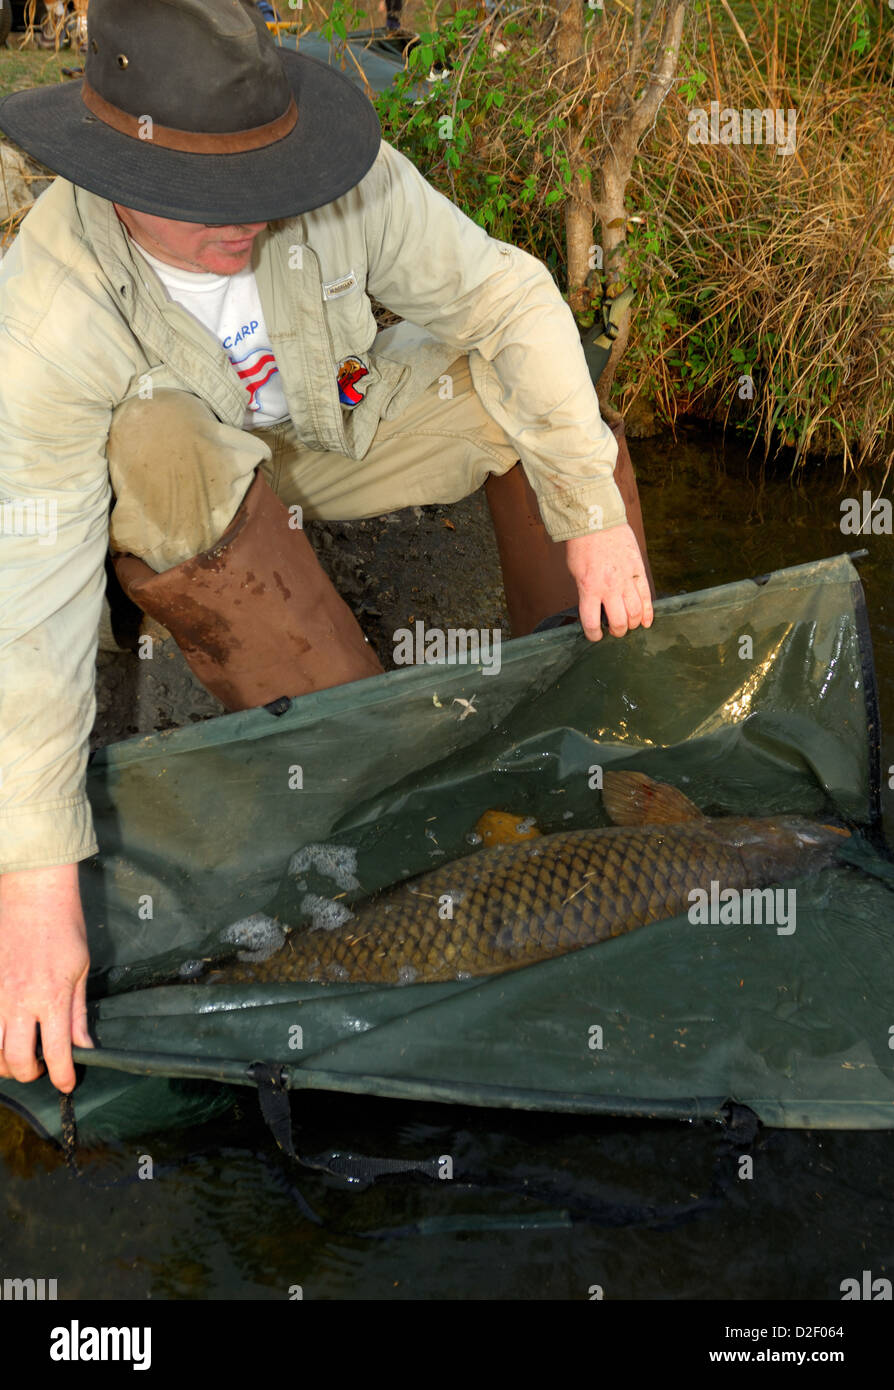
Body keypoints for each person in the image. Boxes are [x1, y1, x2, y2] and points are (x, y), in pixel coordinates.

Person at [0, 0, 653, 1096]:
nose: (244, 218)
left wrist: (591, 516)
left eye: (257, 185)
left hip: (327, 426)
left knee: (543, 395)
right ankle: (390, 800)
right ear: (112, 170)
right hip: (181, 489)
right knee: (161, 442)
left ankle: (586, 721)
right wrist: (32, 887)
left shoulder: (344, 170)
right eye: (204, 200)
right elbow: (29, 605)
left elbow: (507, 293)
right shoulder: (44, 313)